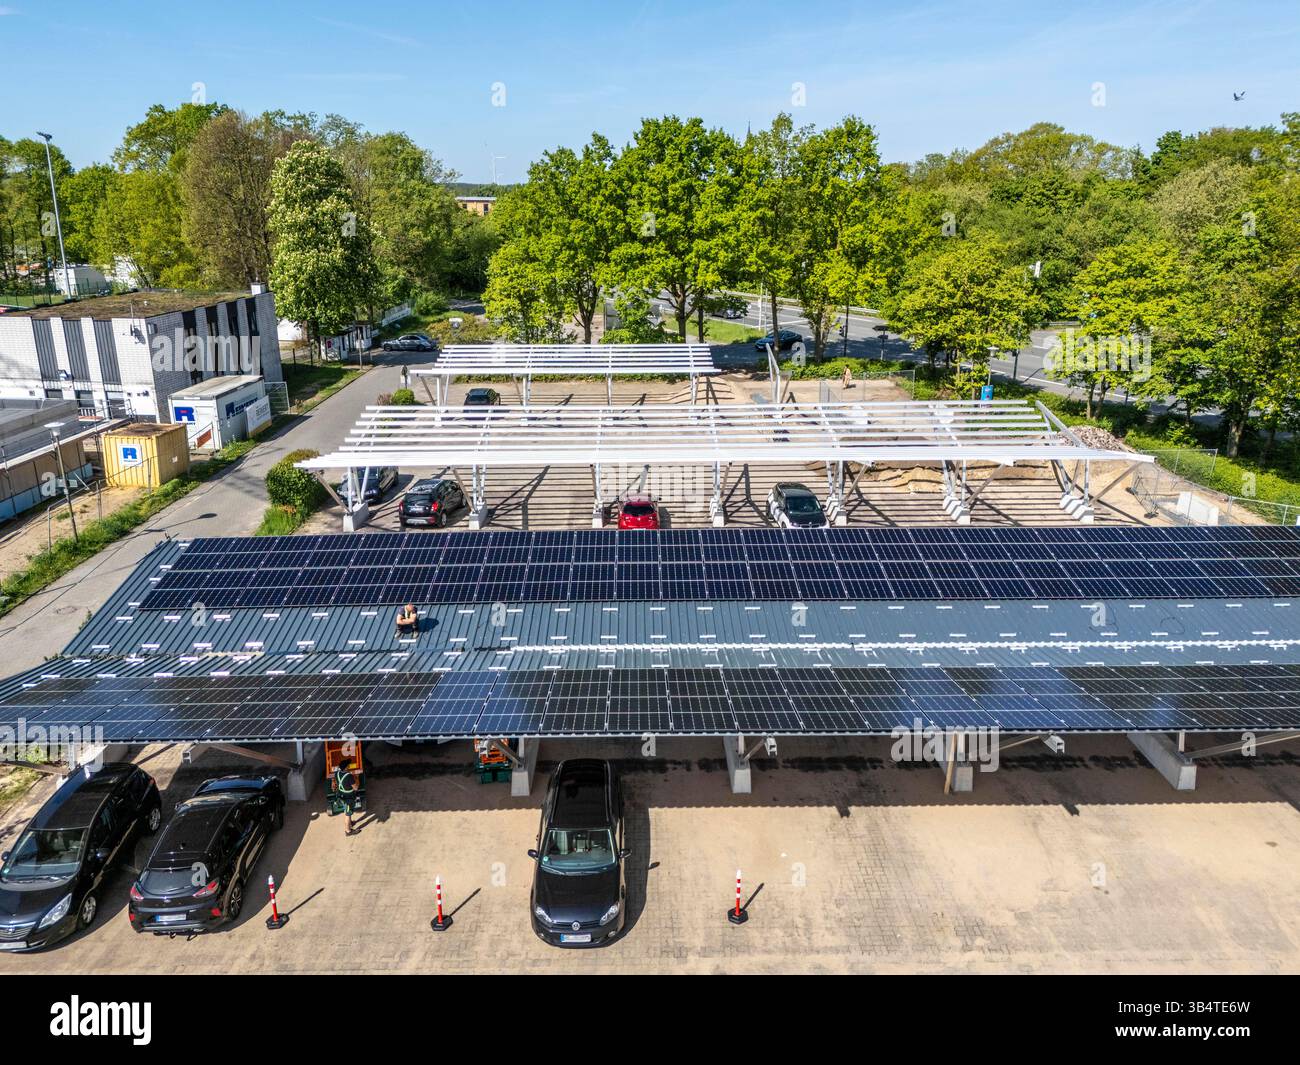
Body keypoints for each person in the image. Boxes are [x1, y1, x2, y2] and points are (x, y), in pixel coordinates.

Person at [334, 757, 360, 834]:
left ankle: (350, 823)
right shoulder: (349, 776)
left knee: (347, 810)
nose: (349, 766)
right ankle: (348, 831)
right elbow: (355, 788)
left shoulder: (337, 773)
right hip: (348, 798)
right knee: (347, 814)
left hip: (341, 795)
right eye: (348, 765)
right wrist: (357, 779)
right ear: (346, 768)